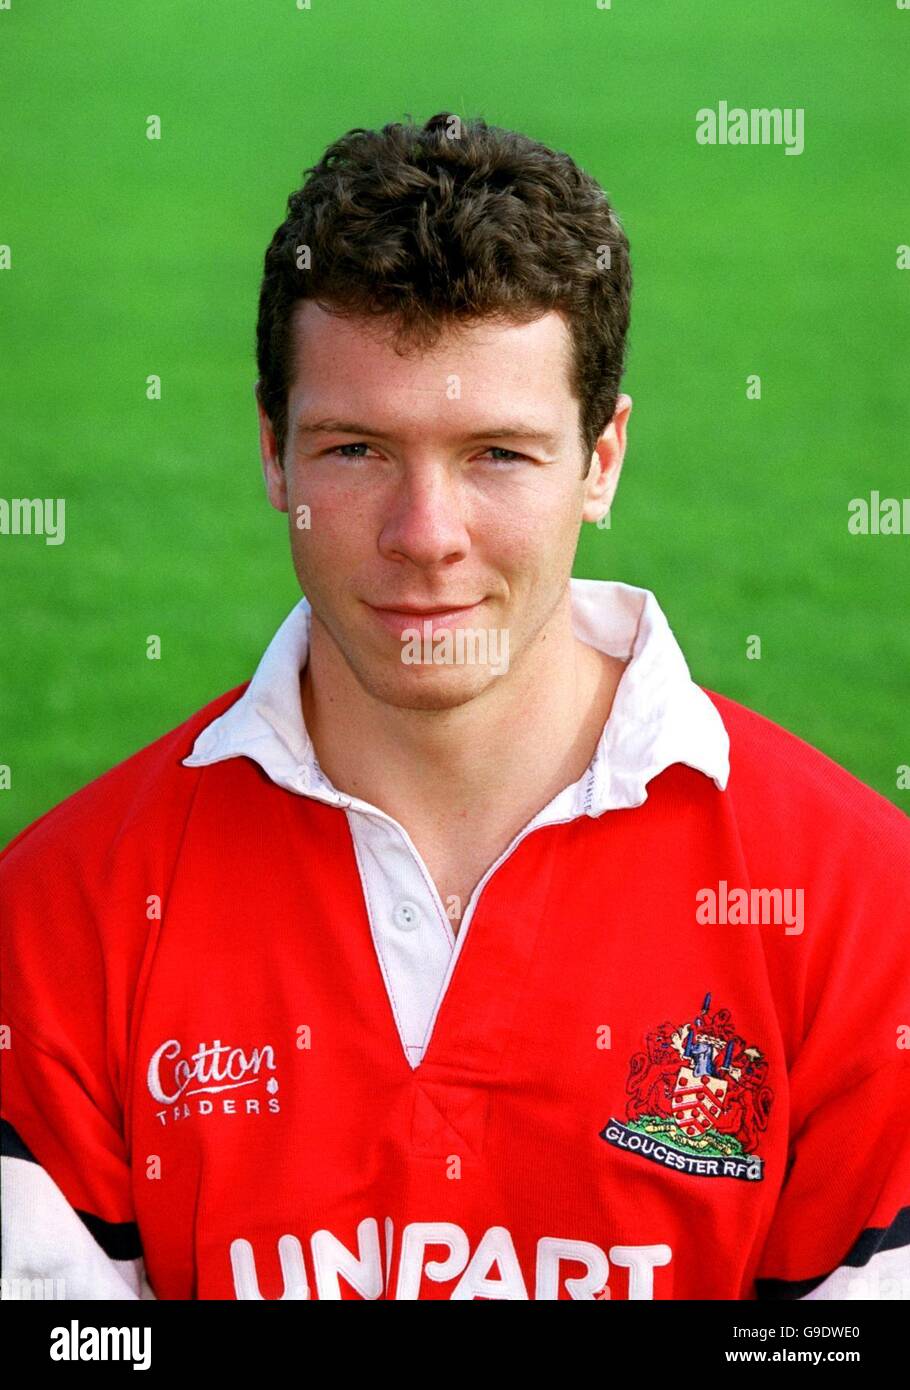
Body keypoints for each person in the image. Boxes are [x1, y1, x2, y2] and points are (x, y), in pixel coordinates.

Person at [1, 112, 907, 1302]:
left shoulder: (861, 908)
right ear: (273, 451)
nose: (426, 537)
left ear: (603, 459)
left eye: (498, 455)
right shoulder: (63, 915)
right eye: (358, 450)